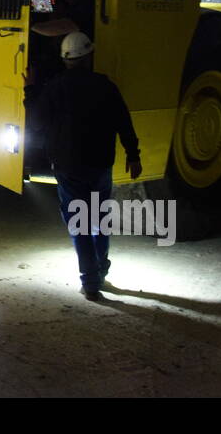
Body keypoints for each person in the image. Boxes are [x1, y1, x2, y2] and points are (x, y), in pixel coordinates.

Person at [25, 31, 141, 300]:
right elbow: (124, 122)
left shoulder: (54, 88)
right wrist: (133, 155)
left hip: (68, 166)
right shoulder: (106, 86)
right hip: (100, 164)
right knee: (98, 219)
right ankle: (100, 270)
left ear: (65, 59)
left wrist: (30, 89)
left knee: (80, 223)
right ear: (89, 56)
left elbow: (35, 123)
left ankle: (90, 283)